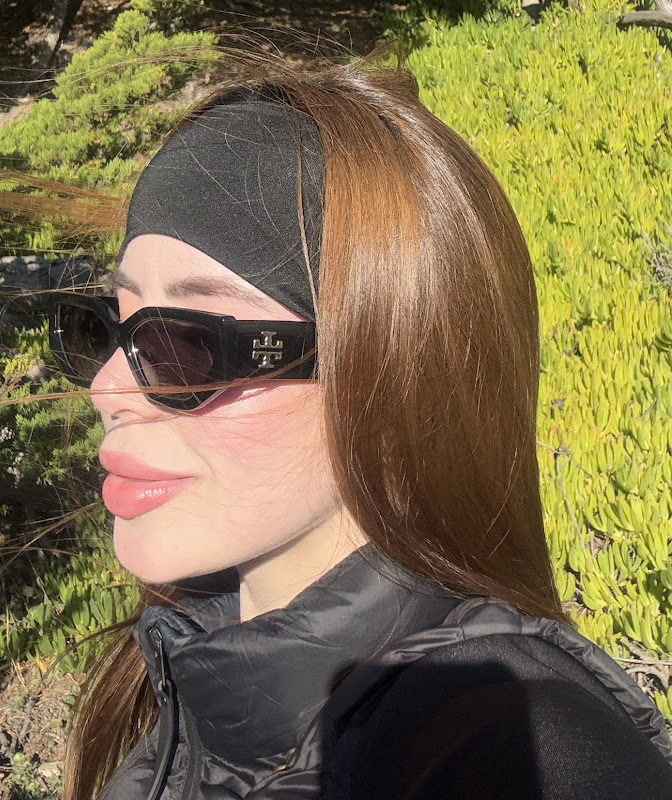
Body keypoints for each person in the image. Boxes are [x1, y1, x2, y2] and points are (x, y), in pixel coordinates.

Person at [45, 57, 672, 800]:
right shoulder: (191, 672)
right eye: (106, 327)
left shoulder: (508, 739)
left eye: (187, 342)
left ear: (391, 374)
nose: (107, 387)